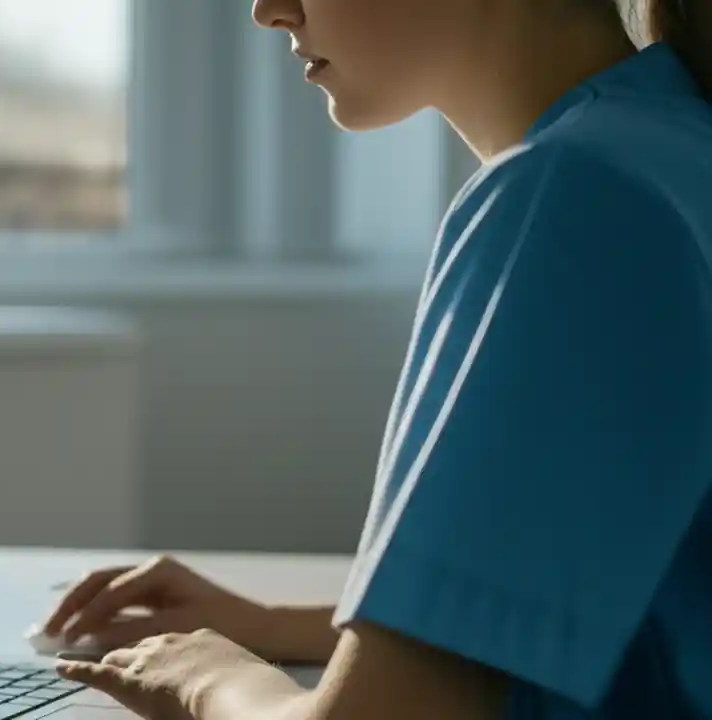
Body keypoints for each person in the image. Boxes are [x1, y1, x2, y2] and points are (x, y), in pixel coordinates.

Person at [45, 1, 712, 719]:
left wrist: (206, 680)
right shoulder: (667, 145)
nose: (268, 11)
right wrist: (280, 625)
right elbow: (629, 607)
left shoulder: (571, 193)